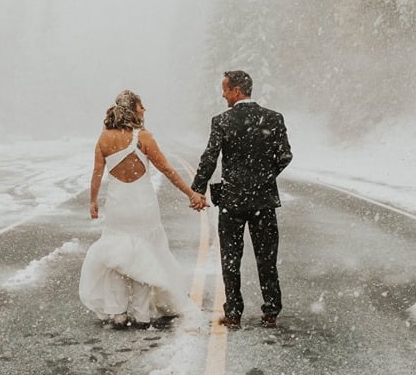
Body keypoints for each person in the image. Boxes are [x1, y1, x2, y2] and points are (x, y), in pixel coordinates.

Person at [79, 90, 208, 329]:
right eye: (141, 106)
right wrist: (191, 194)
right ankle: (141, 314)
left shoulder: (104, 138)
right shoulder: (144, 137)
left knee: (117, 257)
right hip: (143, 206)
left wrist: (93, 201)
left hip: (118, 205)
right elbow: (167, 170)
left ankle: (118, 312)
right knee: (144, 253)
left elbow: (97, 173)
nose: (144, 109)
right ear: (132, 109)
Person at [191, 70, 293, 329]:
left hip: (232, 200)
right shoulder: (273, 118)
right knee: (267, 258)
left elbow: (210, 158)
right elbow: (285, 156)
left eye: (225, 89)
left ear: (237, 91)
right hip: (264, 201)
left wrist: (198, 189)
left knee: (230, 259)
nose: (223, 94)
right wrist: (264, 177)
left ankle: (234, 313)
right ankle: (271, 311)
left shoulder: (222, 121)